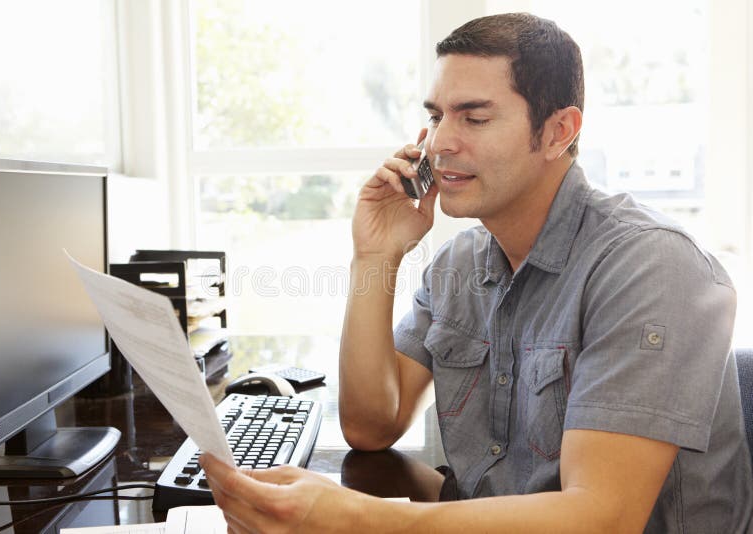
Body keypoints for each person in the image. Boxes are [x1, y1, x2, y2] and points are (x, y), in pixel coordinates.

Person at [200, 12, 753, 532]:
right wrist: (375, 256)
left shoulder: (651, 266)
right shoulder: (461, 263)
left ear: (558, 131)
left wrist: (358, 519)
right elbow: (373, 424)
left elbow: (602, 518)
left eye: (475, 117)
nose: (441, 142)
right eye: (436, 116)